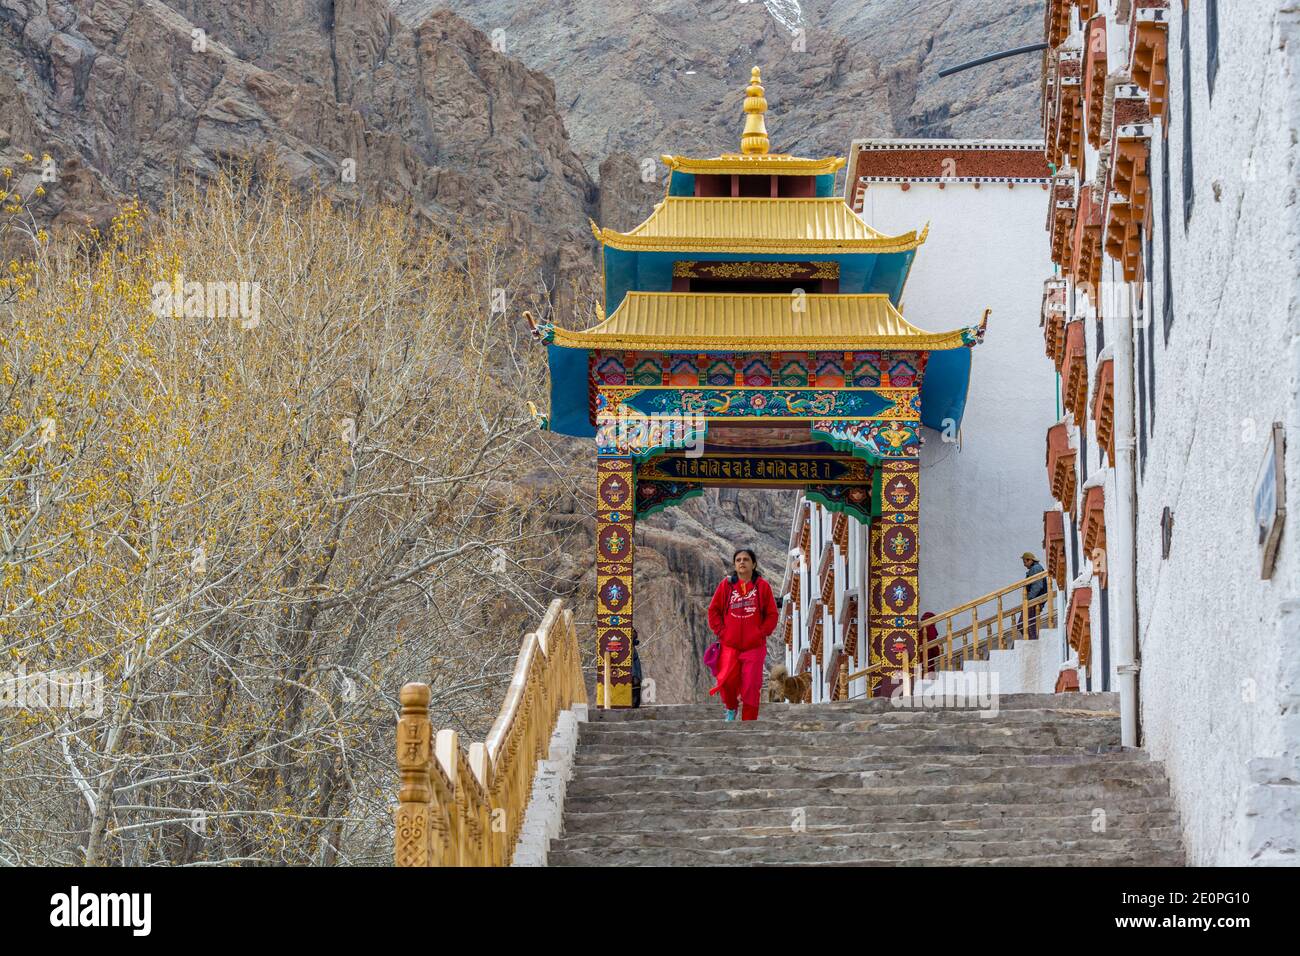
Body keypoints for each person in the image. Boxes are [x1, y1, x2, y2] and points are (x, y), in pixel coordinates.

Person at [707, 548, 778, 721]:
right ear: (734, 564)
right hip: (729, 645)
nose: (742, 562)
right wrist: (722, 632)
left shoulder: (762, 586)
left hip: (754, 646)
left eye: (746, 559)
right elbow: (713, 610)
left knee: (751, 685)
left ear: (753, 564)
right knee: (727, 681)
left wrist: (761, 633)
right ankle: (731, 708)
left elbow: (772, 614)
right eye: (738, 559)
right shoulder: (726, 585)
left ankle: (749, 722)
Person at [1021, 551, 1048, 639]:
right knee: (1027, 623)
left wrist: (1029, 599)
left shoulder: (1036, 568)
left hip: (1034, 600)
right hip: (1034, 599)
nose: (1024, 565)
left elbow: (1038, 585)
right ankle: (1032, 640)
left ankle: (1033, 640)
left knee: (1025, 623)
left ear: (1030, 560)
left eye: (1025, 562)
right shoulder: (1035, 568)